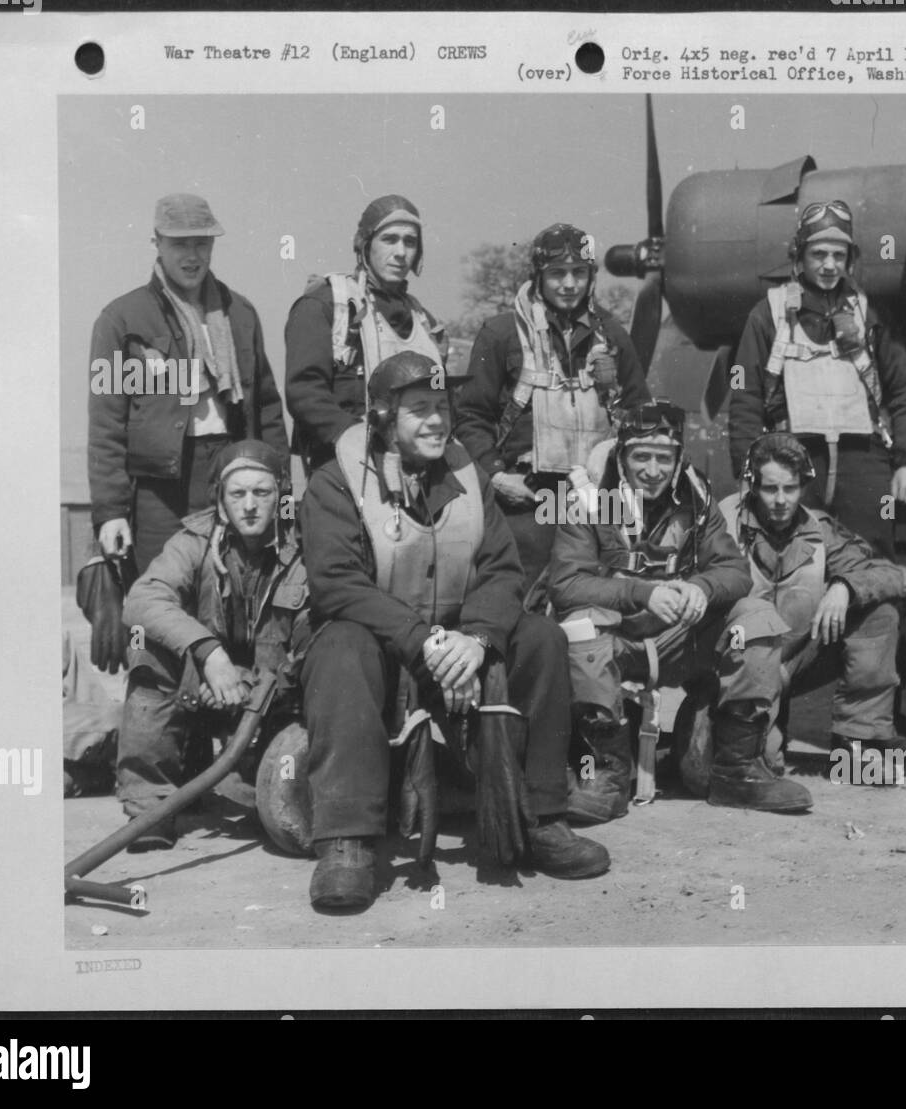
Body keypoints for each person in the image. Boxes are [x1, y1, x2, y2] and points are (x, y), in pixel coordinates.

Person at [298, 350, 610, 910]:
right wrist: (424, 641)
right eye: (419, 409)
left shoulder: (469, 474)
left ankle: (541, 816)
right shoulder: (334, 482)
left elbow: (501, 570)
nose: (437, 420)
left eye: (441, 406)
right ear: (384, 420)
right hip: (381, 642)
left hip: (460, 640)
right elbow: (337, 585)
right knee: (341, 647)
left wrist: (477, 638)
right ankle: (346, 839)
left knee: (541, 637)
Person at [546, 401, 813, 820]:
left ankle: (737, 771)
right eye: (641, 456)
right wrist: (642, 592)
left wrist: (701, 588)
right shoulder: (587, 496)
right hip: (614, 640)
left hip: (677, 637)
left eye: (663, 458)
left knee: (755, 618)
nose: (653, 470)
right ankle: (607, 776)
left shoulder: (695, 493)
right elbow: (565, 584)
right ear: (621, 454)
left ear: (677, 459)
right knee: (578, 628)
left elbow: (734, 570)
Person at [118, 440, 308, 851]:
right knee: (148, 649)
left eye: (262, 492)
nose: (250, 505)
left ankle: (243, 781)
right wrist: (210, 654)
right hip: (203, 687)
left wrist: (252, 680)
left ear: (281, 497)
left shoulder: (306, 547)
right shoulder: (194, 541)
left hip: (276, 696)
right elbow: (142, 599)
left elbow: (317, 634)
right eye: (237, 494)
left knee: (275, 804)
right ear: (222, 502)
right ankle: (151, 805)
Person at [89, 194, 288, 574]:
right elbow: (106, 424)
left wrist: (283, 493)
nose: (191, 254)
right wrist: (110, 512)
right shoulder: (121, 319)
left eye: (202, 242)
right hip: (158, 486)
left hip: (232, 468)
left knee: (234, 587)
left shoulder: (240, 313)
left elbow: (267, 409)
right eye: (179, 243)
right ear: (156, 244)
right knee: (160, 592)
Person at [454, 224, 650, 591]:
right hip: (527, 494)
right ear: (538, 276)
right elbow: (470, 416)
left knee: (608, 597)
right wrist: (496, 475)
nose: (569, 284)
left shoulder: (611, 333)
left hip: (597, 495)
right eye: (557, 273)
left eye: (580, 273)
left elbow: (639, 411)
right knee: (520, 596)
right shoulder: (500, 334)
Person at [726, 199, 906, 558]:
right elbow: (745, 393)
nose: (830, 265)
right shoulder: (768, 314)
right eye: (819, 254)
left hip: (864, 462)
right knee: (789, 559)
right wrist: (746, 469)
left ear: (850, 259)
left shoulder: (871, 314)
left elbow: (903, 388)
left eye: (839, 254)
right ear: (799, 257)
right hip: (793, 461)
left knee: (873, 557)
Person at [720, 433, 906, 776]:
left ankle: (858, 744)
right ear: (751, 486)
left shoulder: (817, 527)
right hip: (736, 666)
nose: (780, 500)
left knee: (878, 616)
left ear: (802, 487)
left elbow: (889, 574)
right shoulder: (723, 525)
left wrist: (844, 586)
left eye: (790, 489)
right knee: (753, 764)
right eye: (769, 489)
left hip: (794, 659)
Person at [285, 194, 449, 473]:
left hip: (418, 470)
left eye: (410, 242)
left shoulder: (425, 323)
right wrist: (355, 438)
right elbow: (304, 393)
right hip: (343, 467)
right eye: (389, 239)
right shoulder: (326, 306)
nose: (401, 252)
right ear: (365, 245)